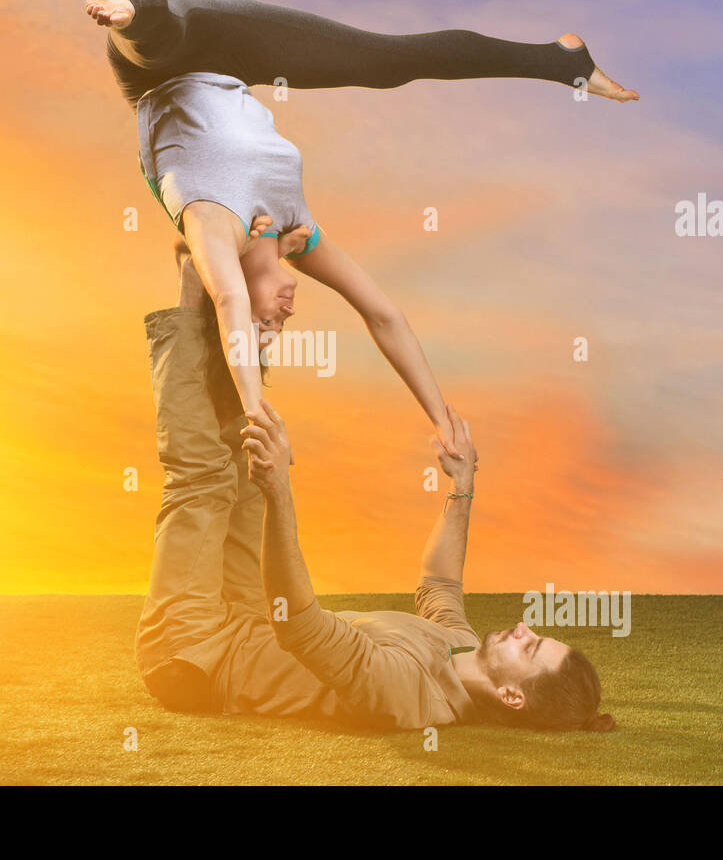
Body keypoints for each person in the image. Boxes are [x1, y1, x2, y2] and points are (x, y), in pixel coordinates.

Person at [87, 0, 639, 458]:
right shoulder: (299, 232)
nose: (285, 317)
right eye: (279, 329)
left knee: (153, 34)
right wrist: (441, 418)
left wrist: (255, 409)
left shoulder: (212, 222)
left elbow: (230, 297)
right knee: (385, 63)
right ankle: (562, 61)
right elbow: (384, 316)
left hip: (152, 72)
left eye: (267, 325)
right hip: (234, 58)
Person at [136, 263, 614, 732]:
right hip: (248, 615)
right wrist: (462, 485)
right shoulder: (460, 645)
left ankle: (193, 284)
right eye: (538, 635)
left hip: (195, 648)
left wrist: (280, 489)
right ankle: (228, 294)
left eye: (530, 649)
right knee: (242, 463)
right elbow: (439, 586)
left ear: (513, 697)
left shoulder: (407, 695)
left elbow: (302, 627)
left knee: (203, 482)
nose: (523, 630)